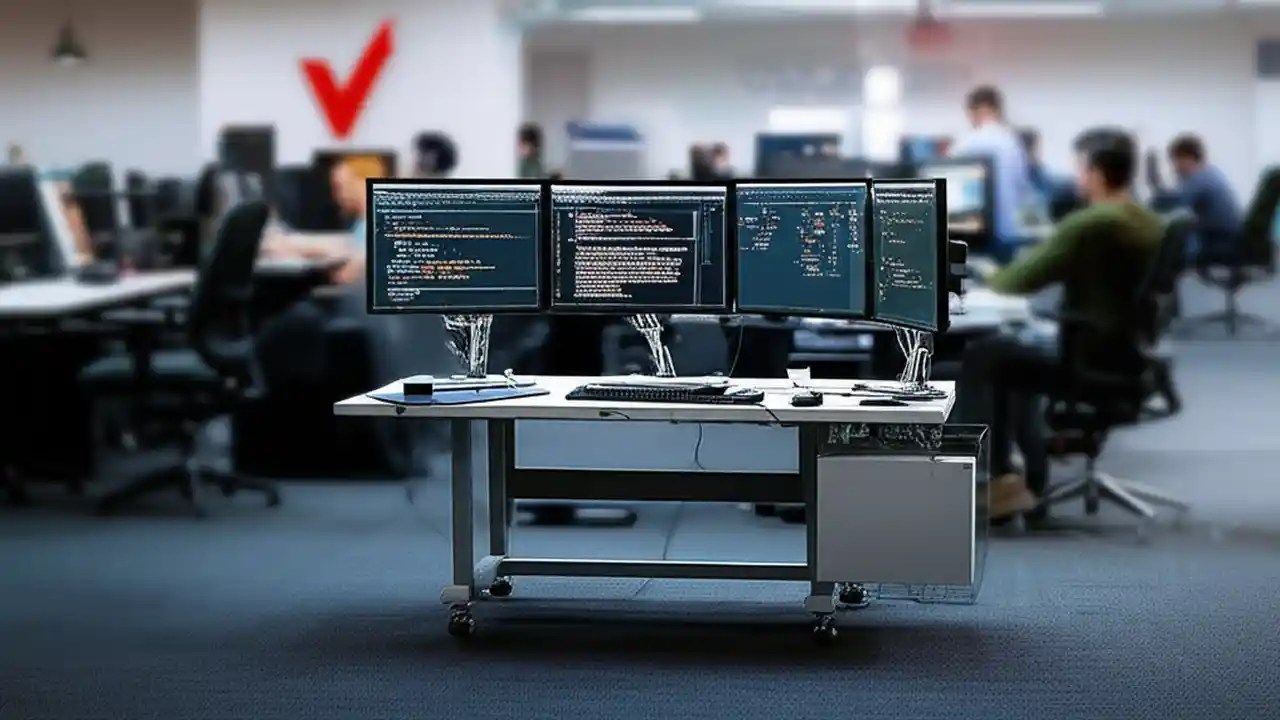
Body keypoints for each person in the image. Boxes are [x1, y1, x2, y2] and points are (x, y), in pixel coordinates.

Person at [955, 128, 1164, 521]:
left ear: (1098, 174)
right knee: (1011, 352)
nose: (1077, 179)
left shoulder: (1091, 223)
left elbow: (1014, 281)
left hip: (1090, 355)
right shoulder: (1148, 220)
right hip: (1121, 352)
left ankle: (995, 480)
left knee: (983, 356)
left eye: (1081, 170)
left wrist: (983, 275)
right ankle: (1024, 482)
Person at [950, 86, 1036, 261]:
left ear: (975, 110)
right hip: (1008, 233)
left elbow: (950, 189)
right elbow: (1022, 188)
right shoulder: (1013, 142)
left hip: (976, 233)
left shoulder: (965, 143)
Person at [1168, 134, 1243, 260]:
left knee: (1177, 234)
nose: (1175, 165)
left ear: (1188, 158)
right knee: (1185, 228)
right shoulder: (1210, 171)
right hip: (1228, 233)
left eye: (1177, 160)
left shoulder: (1200, 178)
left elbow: (1181, 201)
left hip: (1220, 238)